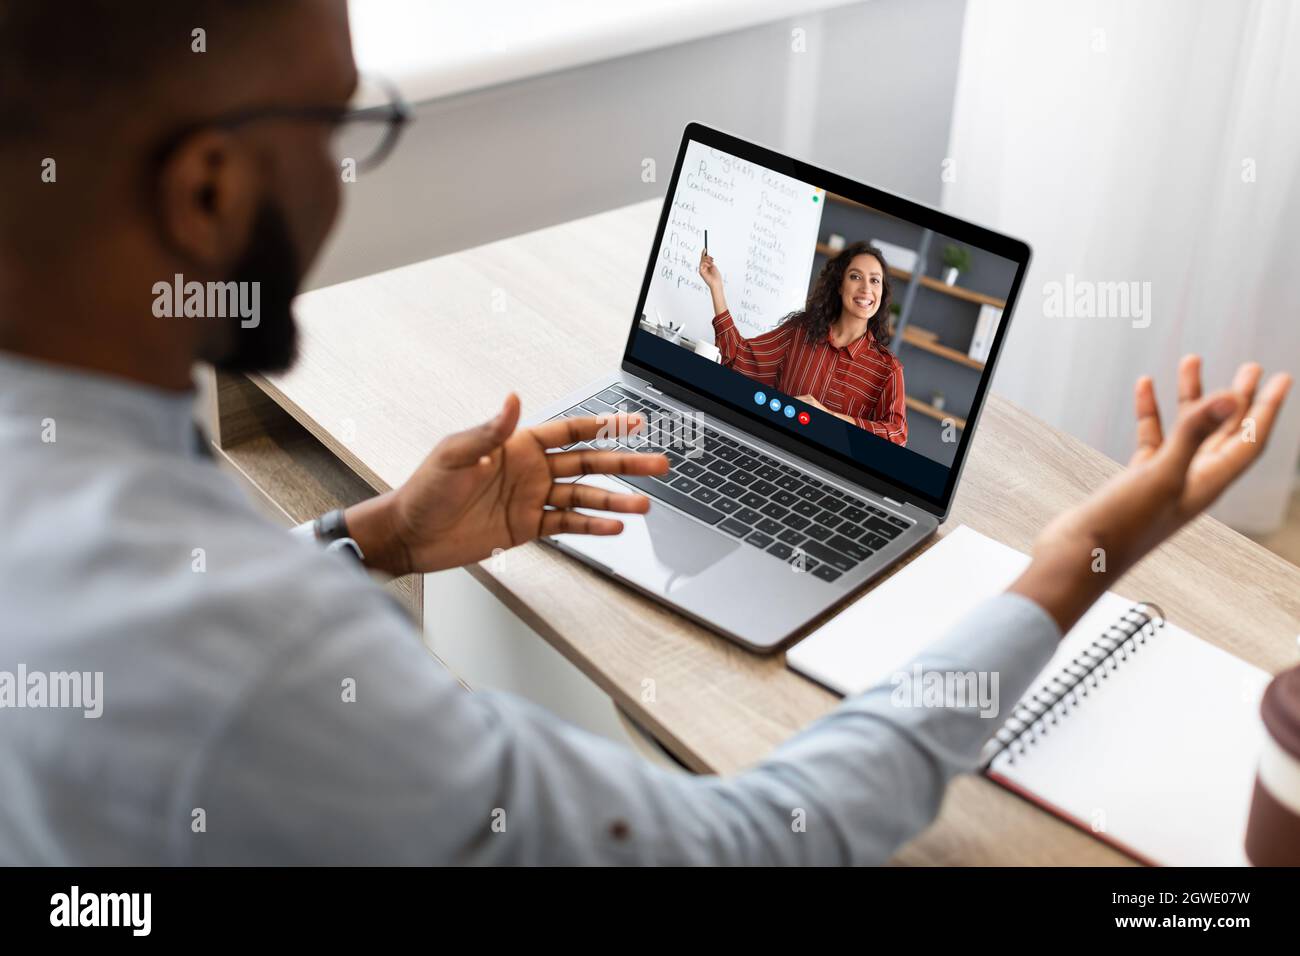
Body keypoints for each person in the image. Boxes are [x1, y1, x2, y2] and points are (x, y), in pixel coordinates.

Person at [0, 0, 1290, 865]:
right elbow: (747, 841)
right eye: (342, 127)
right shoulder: (249, 667)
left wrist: (370, 537)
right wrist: (1079, 553)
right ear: (208, 189)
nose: (343, 169)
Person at [700, 241, 908, 443]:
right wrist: (716, 287)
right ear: (839, 285)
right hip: (773, 447)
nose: (866, 288)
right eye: (855, 277)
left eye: (875, 280)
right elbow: (738, 358)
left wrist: (829, 418)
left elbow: (896, 436)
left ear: (882, 291)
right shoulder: (800, 331)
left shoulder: (888, 370)